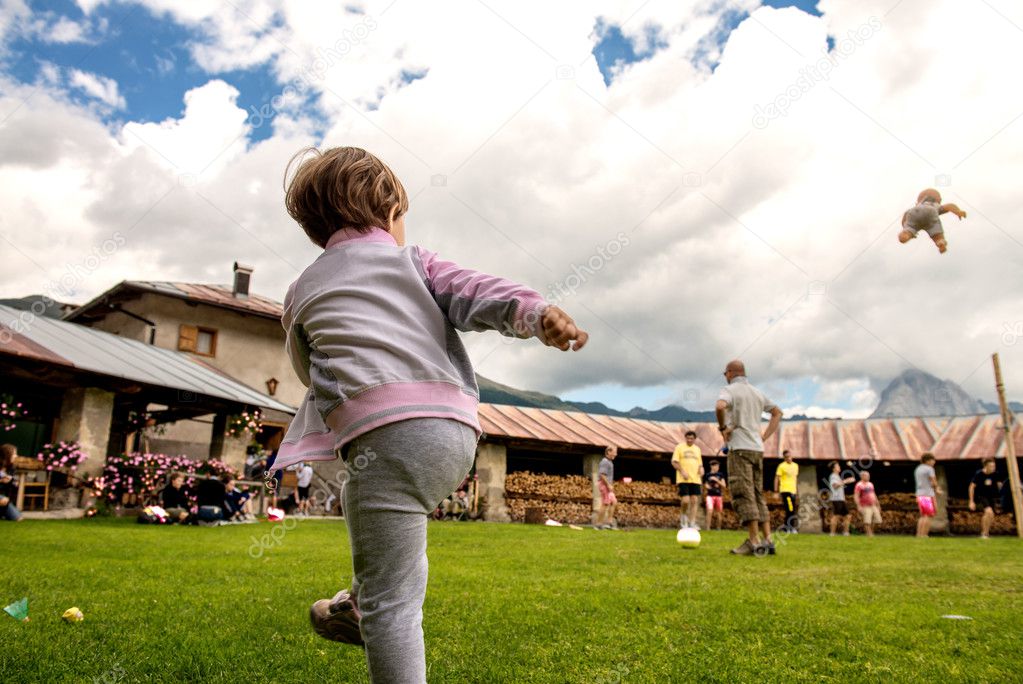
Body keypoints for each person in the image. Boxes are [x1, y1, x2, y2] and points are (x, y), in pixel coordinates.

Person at [275, 146, 588, 682]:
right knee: (389, 550)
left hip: (382, 441)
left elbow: (307, 370)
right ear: (392, 211)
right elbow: (476, 293)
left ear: (313, 229)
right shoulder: (414, 262)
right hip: (455, 437)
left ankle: (371, 606)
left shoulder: (302, 289)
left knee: (394, 601)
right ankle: (357, 606)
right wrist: (536, 312)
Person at [716, 359, 783, 556]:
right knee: (757, 493)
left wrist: (723, 429)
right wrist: (765, 435)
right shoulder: (757, 392)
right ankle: (769, 540)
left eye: (725, 374)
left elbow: (720, 407)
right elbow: (777, 413)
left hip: (739, 448)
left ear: (729, 373)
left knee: (743, 493)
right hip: (757, 448)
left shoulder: (729, 391)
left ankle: (754, 541)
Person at [671, 430, 703, 529]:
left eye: (691, 438)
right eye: (688, 438)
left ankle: (692, 522)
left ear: (694, 439)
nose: (689, 440)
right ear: (685, 438)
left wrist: (701, 469)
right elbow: (674, 462)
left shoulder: (697, 449)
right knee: (685, 501)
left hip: (695, 479)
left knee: (694, 500)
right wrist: (682, 471)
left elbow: (700, 463)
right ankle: (683, 516)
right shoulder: (679, 447)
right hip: (683, 478)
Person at [969, 458, 1000, 539]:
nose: (993, 468)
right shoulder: (979, 474)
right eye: (991, 466)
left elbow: (999, 485)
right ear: (986, 466)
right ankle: (983, 533)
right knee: (988, 512)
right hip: (981, 496)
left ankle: (986, 533)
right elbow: (971, 487)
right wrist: (971, 501)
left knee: (991, 515)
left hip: (991, 497)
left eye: (994, 466)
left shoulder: (995, 474)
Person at [914, 453, 942, 538]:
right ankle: (924, 534)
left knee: (923, 515)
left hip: (919, 494)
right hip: (927, 494)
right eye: (933, 460)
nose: (934, 462)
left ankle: (919, 534)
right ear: (928, 461)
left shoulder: (918, 469)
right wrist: (937, 489)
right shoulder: (929, 469)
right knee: (929, 515)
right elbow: (933, 481)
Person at [773, 450, 799, 533]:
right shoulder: (781, 466)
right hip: (785, 490)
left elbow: (795, 479)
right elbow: (776, 478)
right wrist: (776, 491)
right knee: (790, 509)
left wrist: (797, 491)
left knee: (792, 509)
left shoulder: (795, 466)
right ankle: (789, 528)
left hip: (793, 491)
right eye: (787, 457)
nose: (789, 458)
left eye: (790, 456)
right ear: (784, 458)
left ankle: (788, 528)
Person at [827, 461, 855, 536]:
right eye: (837, 466)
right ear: (834, 469)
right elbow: (835, 486)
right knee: (836, 516)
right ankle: (832, 533)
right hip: (836, 499)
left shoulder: (837, 476)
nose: (839, 467)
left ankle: (846, 532)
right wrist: (846, 481)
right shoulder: (833, 476)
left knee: (848, 516)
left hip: (841, 499)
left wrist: (845, 481)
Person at [853, 470, 882, 537]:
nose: (868, 477)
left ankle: (871, 532)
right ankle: (869, 534)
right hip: (865, 505)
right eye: (866, 475)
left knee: (878, 520)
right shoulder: (859, 485)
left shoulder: (870, 484)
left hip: (873, 505)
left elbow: (874, 494)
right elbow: (856, 496)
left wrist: (878, 504)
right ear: (862, 476)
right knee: (867, 521)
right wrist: (858, 505)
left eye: (868, 475)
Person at [596, 445, 618, 530]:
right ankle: (598, 524)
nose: (616, 454)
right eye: (615, 452)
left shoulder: (610, 462)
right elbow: (602, 475)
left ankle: (609, 522)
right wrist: (608, 485)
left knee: (614, 502)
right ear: (608, 452)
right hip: (604, 484)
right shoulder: (605, 462)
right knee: (605, 503)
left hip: (607, 484)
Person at [0, 444, 23, 522]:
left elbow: (9, 482)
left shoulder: (11, 468)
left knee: (18, 518)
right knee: (2, 499)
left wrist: (13, 482)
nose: (16, 456)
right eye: (14, 454)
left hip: (4, 498)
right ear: (7, 455)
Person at [703, 460, 727, 531]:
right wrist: (707, 486)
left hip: (718, 495)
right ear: (712, 466)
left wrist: (716, 480)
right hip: (710, 495)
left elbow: (724, 485)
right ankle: (707, 528)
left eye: (718, 466)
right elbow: (705, 484)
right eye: (716, 466)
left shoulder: (720, 475)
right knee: (709, 511)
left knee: (719, 512)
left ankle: (718, 528)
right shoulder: (707, 475)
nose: (717, 467)